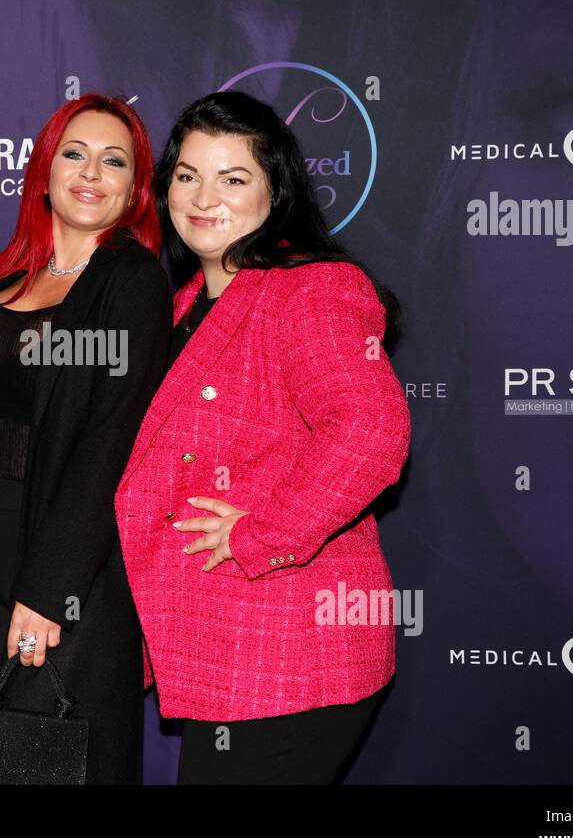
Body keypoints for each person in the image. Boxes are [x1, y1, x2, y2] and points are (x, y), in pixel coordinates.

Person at [115, 91, 411, 784]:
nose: (203, 196)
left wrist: (262, 534)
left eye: (233, 177)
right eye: (187, 174)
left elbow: (372, 428)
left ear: (276, 192)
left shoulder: (309, 289)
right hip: (227, 650)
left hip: (291, 650)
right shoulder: (185, 304)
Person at [0, 94, 171, 784]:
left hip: (68, 565)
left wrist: (48, 591)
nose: (91, 172)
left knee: (54, 757)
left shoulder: (131, 280)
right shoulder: (5, 275)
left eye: (114, 161)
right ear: (43, 171)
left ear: (135, 190)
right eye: (74, 153)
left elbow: (111, 445)